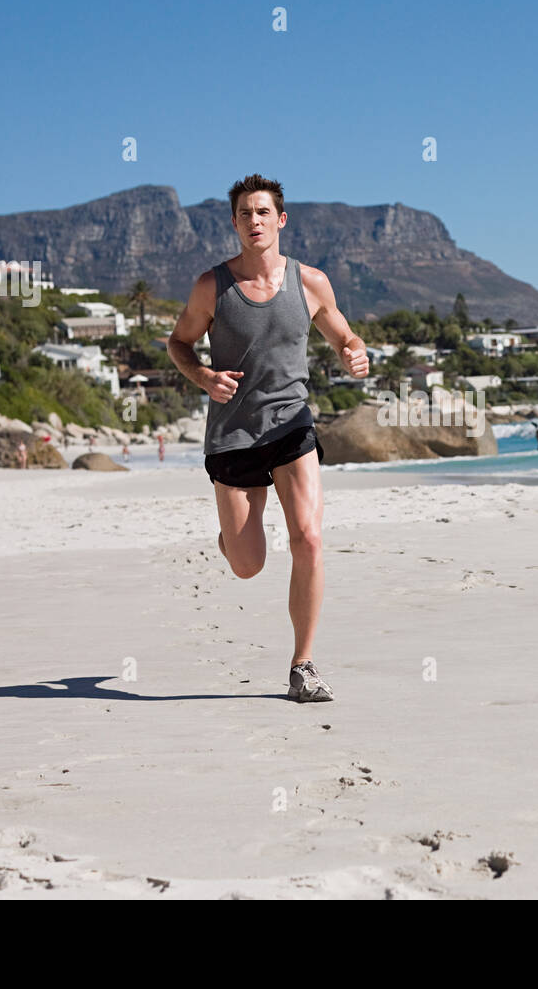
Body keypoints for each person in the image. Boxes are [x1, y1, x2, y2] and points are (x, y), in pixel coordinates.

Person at [166, 174, 368, 703]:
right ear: (233, 224)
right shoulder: (212, 287)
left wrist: (353, 349)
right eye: (244, 214)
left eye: (263, 212)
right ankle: (231, 542)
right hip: (233, 434)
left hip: (291, 423)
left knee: (309, 538)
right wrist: (205, 377)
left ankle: (303, 665)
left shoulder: (311, 282)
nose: (253, 221)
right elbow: (179, 343)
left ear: (280, 220)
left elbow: (343, 331)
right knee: (248, 564)